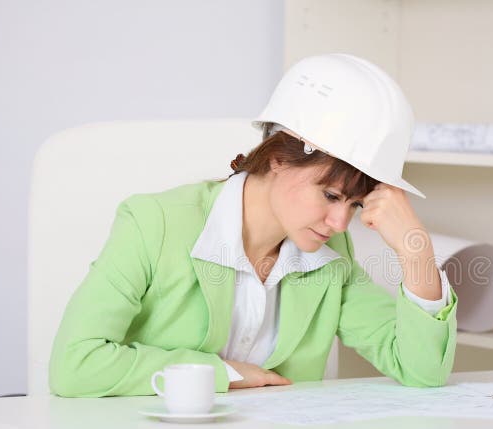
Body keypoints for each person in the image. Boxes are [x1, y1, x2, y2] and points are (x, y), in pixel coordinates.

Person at [49, 53, 458, 397]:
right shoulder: (152, 224)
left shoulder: (333, 256)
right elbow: (75, 364)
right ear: (277, 157)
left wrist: (414, 248)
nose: (339, 222)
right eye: (331, 196)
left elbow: (421, 371)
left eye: (355, 205)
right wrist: (223, 373)